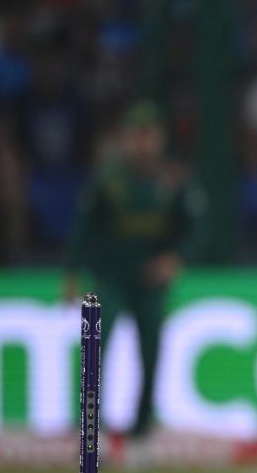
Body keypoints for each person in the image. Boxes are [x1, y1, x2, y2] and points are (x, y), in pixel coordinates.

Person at [63, 101, 202, 440]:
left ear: (159, 139)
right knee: (96, 349)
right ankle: (91, 430)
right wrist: (71, 274)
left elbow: (196, 228)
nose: (143, 144)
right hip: (109, 278)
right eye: (136, 136)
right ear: (125, 139)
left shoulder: (173, 181)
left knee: (151, 353)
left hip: (150, 282)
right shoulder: (107, 180)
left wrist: (175, 258)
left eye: (149, 135)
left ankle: (142, 431)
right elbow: (84, 229)